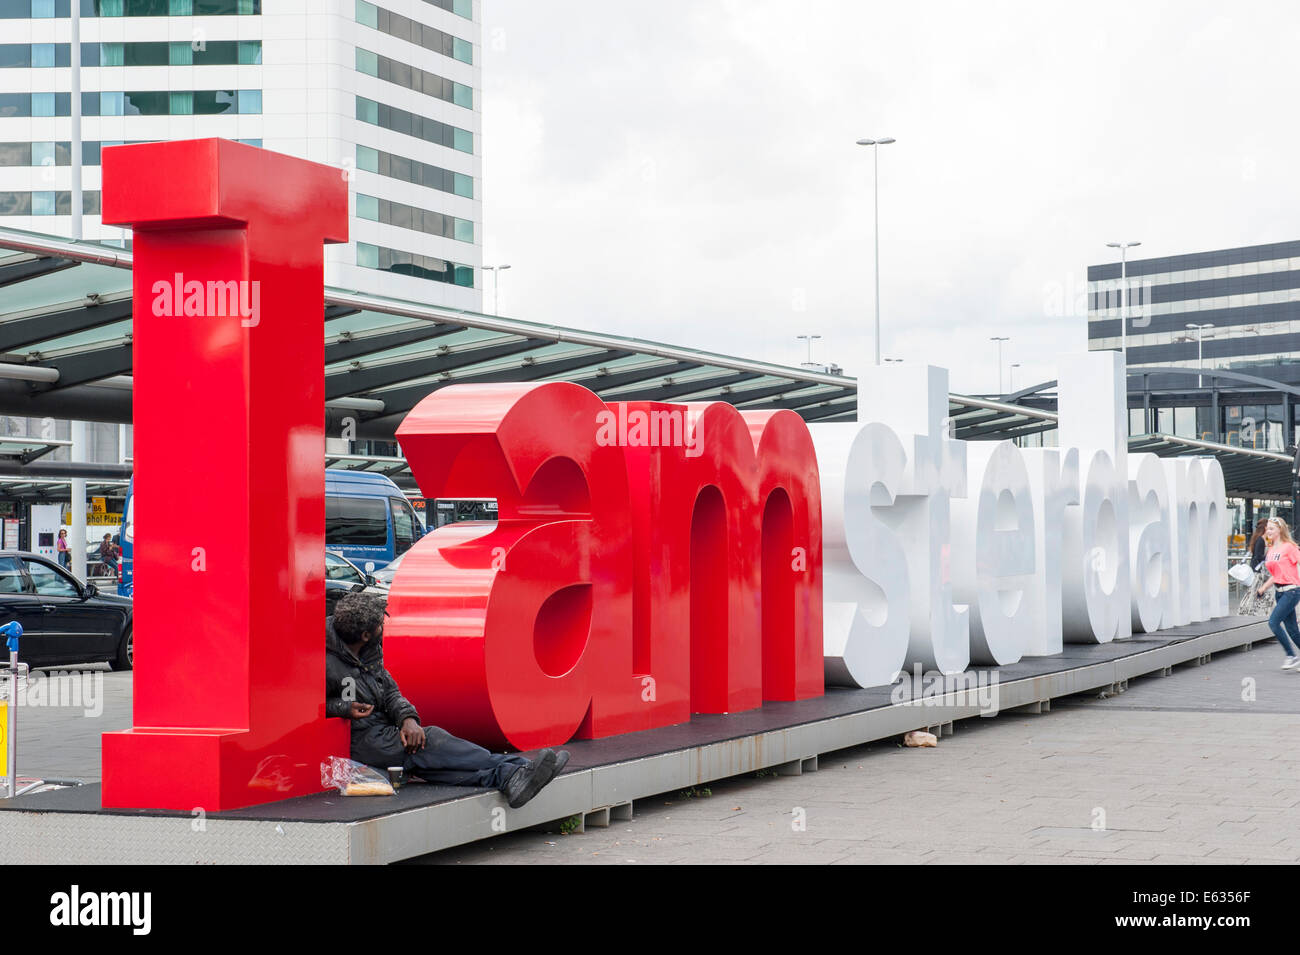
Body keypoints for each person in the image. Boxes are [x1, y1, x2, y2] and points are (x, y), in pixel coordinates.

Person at [324, 592, 568, 807]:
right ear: (365, 634)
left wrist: (407, 718)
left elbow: (389, 690)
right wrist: (343, 707)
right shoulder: (322, 660)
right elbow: (304, 708)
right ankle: (522, 767)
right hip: (362, 741)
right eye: (380, 625)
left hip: (382, 728)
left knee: (433, 766)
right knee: (430, 739)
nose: (383, 627)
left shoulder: (369, 650)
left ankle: (510, 778)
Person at [1256, 517, 1300, 669]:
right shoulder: (1271, 550)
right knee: (1292, 629)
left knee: (1273, 622)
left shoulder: (1289, 547)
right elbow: (1276, 575)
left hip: (1291, 591)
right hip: (1279, 592)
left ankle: (1291, 655)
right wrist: (1263, 588)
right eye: (1267, 528)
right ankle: (1292, 656)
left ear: (1280, 530)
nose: (1268, 531)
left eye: (1271, 529)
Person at [1237, 518, 1275, 617]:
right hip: (1259, 570)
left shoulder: (1265, 538)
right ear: (1266, 527)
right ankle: (1248, 609)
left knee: (1262, 590)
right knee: (1256, 590)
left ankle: (1265, 610)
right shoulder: (1260, 540)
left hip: (1265, 571)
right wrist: (1269, 557)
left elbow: (1271, 548)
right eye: (1270, 527)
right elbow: (1258, 556)